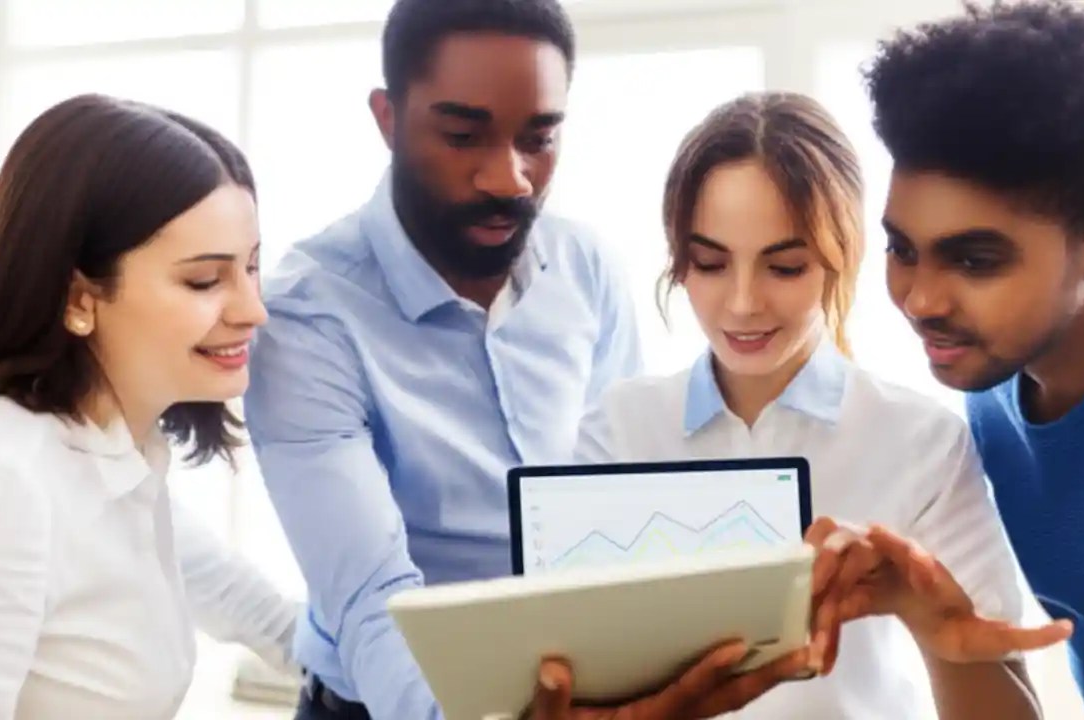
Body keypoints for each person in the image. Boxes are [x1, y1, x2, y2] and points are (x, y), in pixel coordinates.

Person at [243, 1, 807, 718]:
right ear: (388, 118)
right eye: (462, 136)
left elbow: (623, 502)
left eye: (538, 138)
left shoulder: (586, 268)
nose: (510, 179)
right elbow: (369, 598)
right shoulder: (305, 316)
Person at [572, 90, 1070, 719]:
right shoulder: (616, 431)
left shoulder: (922, 442)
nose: (743, 303)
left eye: (784, 267)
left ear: (841, 258)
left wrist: (921, 613)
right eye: (710, 263)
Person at [828, 1, 1084, 717]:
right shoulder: (991, 397)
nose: (919, 298)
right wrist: (925, 616)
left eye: (975, 260)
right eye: (902, 248)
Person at [0, 93, 298, 717]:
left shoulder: (121, 460)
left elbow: (266, 618)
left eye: (251, 267)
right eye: (205, 280)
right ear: (78, 298)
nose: (253, 310)